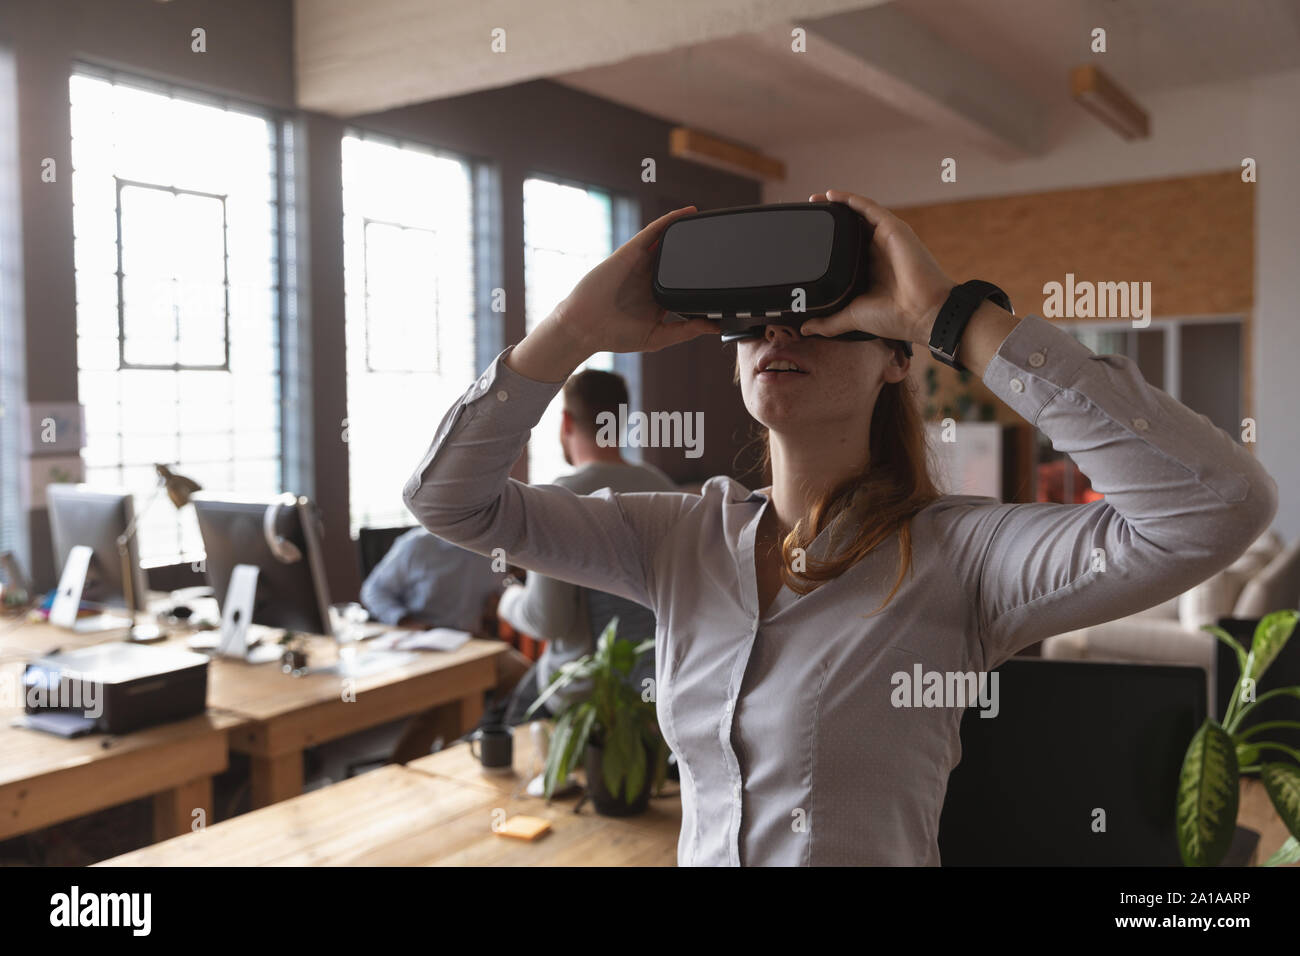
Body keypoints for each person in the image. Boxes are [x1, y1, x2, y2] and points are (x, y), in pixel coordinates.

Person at [401, 190, 1276, 866]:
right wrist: (573, 330)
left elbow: (1217, 507)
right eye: (755, 318)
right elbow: (449, 500)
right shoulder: (675, 538)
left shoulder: (960, 558)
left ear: (896, 356)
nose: (781, 329)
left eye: (824, 309)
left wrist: (952, 317)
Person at [495, 368, 678, 725]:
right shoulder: (664, 488)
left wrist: (508, 599)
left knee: (505, 720)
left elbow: (549, 620)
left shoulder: (560, 497)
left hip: (592, 696)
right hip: (660, 686)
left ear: (565, 421)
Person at [359, 527, 501, 633]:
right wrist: (403, 620)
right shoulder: (417, 544)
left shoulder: (497, 548)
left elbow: (498, 591)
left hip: (476, 641)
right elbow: (374, 591)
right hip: (423, 639)